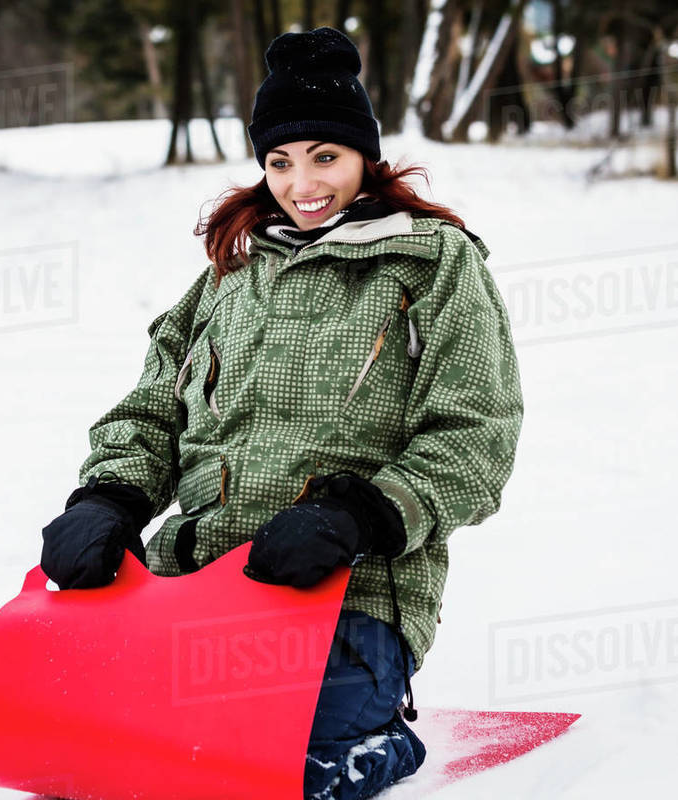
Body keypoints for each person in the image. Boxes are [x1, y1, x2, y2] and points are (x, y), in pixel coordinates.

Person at [39, 26, 523, 800]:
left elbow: (476, 438)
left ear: (364, 156)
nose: (301, 184)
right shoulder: (235, 270)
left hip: (341, 594)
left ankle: (376, 743)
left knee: (257, 763)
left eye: (324, 156)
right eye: (279, 161)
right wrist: (109, 498)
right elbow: (152, 410)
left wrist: (361, 517)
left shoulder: (433, 264)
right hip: (188, 586)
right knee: (76, 736)